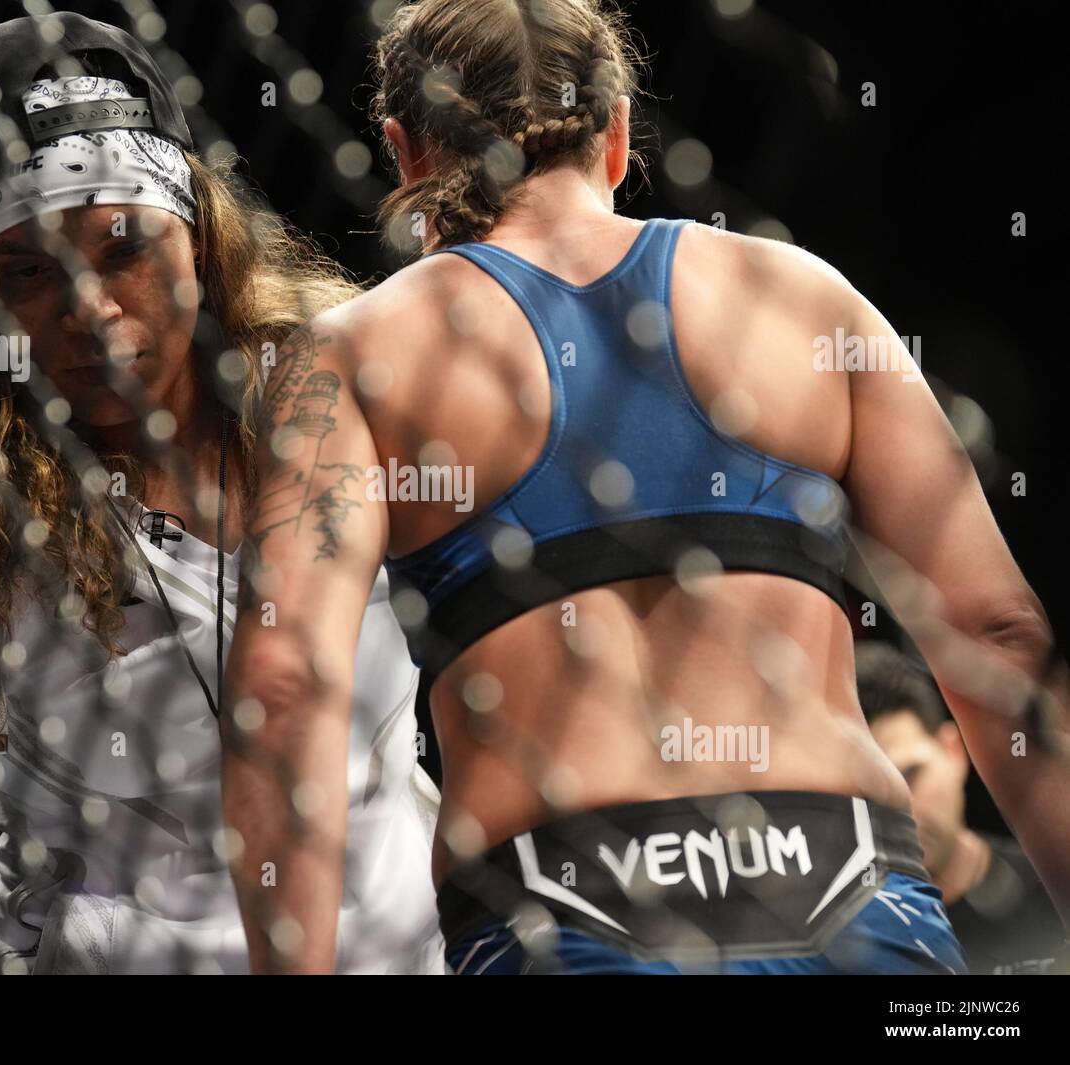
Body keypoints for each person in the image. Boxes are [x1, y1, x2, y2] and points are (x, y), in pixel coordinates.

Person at [220, 0, 1069, 974]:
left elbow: (286, 689)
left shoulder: (355, 356)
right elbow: (997, 638)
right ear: (618, 134)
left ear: (407, 151)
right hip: (850, 899)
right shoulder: (801, 296)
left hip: (564, 913)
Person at [0, 12, 442, 975]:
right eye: (25, 271)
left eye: (124, 246)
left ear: (201, 234)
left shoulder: (360, 391)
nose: (89, 312)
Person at [857, 641, 1068, 974]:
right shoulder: (844, 941)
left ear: (953, 750)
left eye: (911, 775)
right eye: (868, 794)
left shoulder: (1055, 886)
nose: (897, 809)